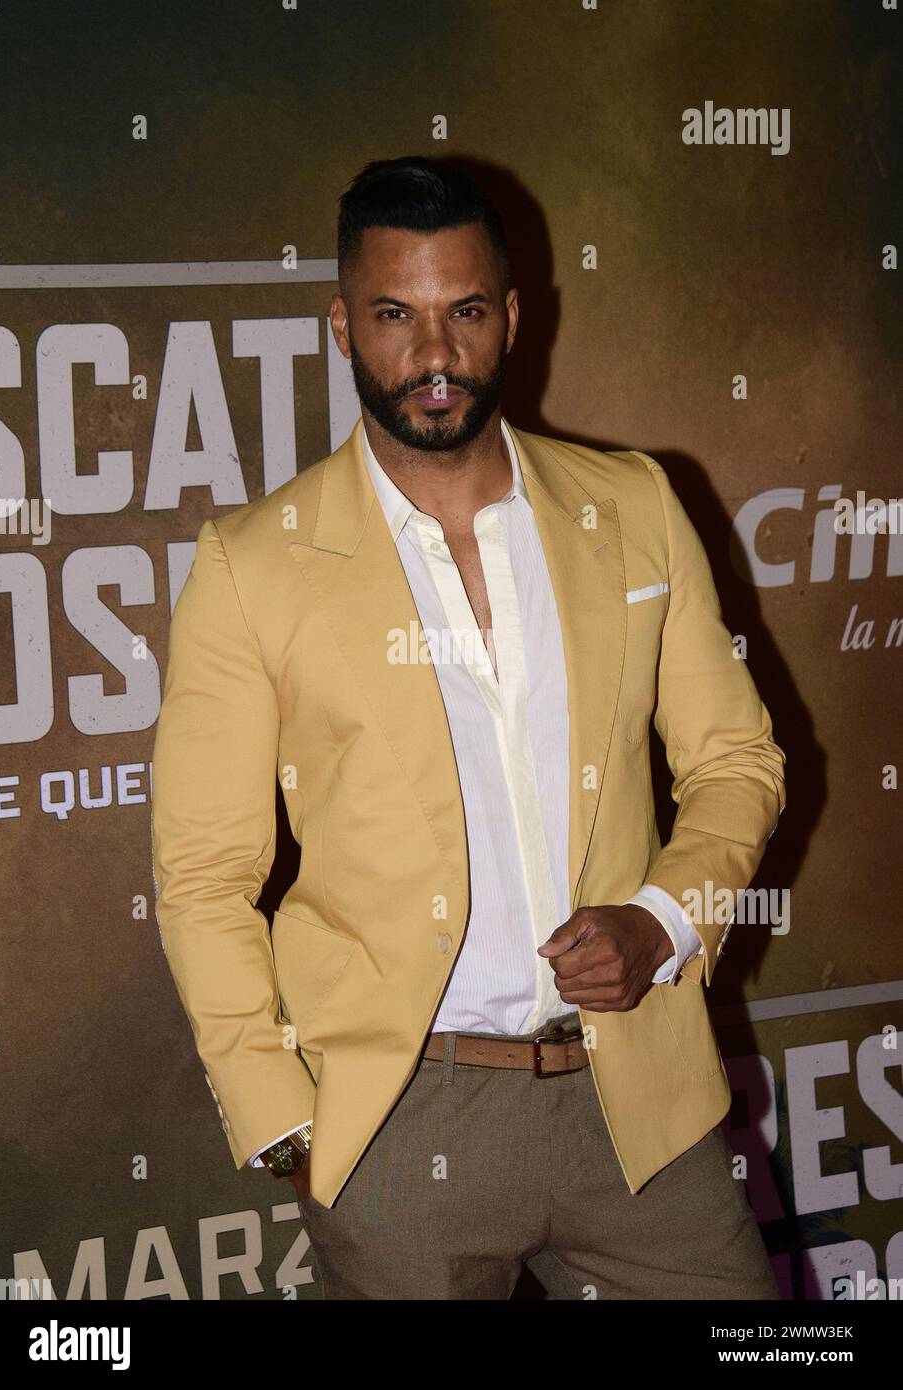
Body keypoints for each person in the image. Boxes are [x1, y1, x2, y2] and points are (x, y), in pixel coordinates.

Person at [151, 155, 786, 1300]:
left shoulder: (634, 506)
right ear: (343, 324)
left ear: (514, 320)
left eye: (466, 313)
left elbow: (737, 761)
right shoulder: (251, 568)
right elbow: (202, 876)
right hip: (401, 1118)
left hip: (639, 1094)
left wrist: (657, 921)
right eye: (396, 314)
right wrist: (286, 1121)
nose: (433, 356)